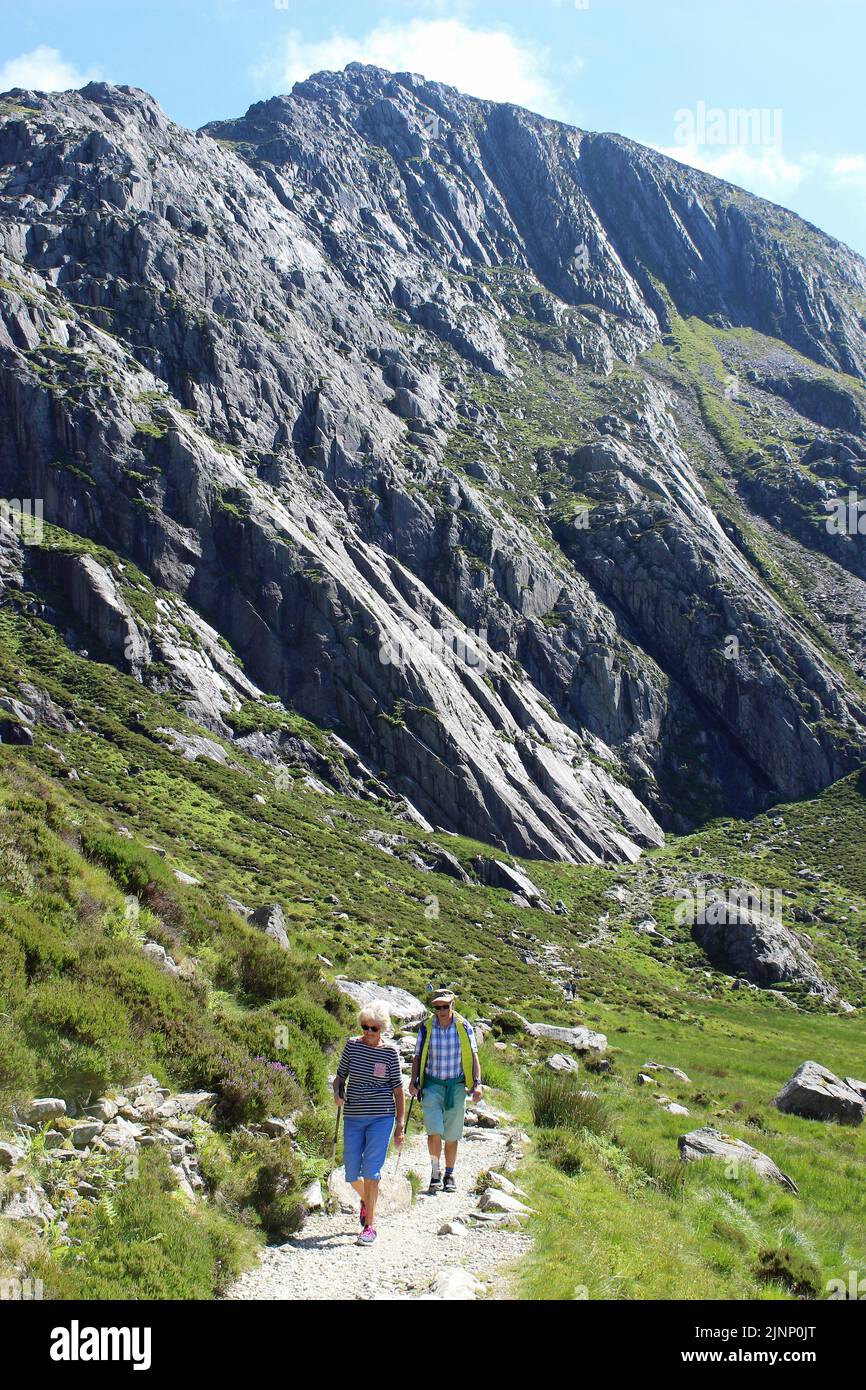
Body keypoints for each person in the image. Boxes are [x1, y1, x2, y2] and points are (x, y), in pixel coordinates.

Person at [334, 1001, 405, 1245]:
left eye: (373, 1028)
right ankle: (367, 1200)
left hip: (381, 1117)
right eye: (365, 1027)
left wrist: (400, 1124)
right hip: (353, 1116)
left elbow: (398, 1090)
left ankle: (370, 1226)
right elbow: (340, 1076)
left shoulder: (390, 1053)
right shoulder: (352, 1046)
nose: (368, 1032)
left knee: (371, 1171)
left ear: (382, 1028)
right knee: (352, 1172)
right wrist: (338, 1091)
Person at [409, 988, 482, 1194]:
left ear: (452, 1005)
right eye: (437, 1007)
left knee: (452, 1135)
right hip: (432, 1086)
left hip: (457, 1087)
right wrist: (414, 1080)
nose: (441, 1011)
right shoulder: (426, 1028)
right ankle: (435, 1173)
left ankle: (449, 1174)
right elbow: (417, 1056)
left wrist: (477, 1083)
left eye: (445, 1006)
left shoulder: (464, 1027)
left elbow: (474, 1056)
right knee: (434, 1131)